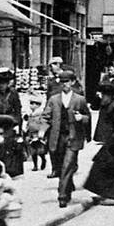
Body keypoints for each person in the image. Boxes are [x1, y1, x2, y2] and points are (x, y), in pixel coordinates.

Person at [37, 71, 91, 207]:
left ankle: (62, 196)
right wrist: (42, 130)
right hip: (57, 137)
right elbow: (45, 117)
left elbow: (88, 117)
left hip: (73, 137)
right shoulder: (54, 99)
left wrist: (82, 118)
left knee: (68, 164)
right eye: (62, 82)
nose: (65, 84)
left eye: (67, 81)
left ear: (72, 82)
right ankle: (68, 184)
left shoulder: (79, 99)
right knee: (61, 166)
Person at [0, 69, 26, 177]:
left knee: (11, 144)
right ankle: (0, 168)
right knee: (0, 145)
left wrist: (18, 125)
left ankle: (12, 169)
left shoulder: (13, 93)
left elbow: (18, 110)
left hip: (11, 121)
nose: (1, 85)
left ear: (7, 83)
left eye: (3, 83)